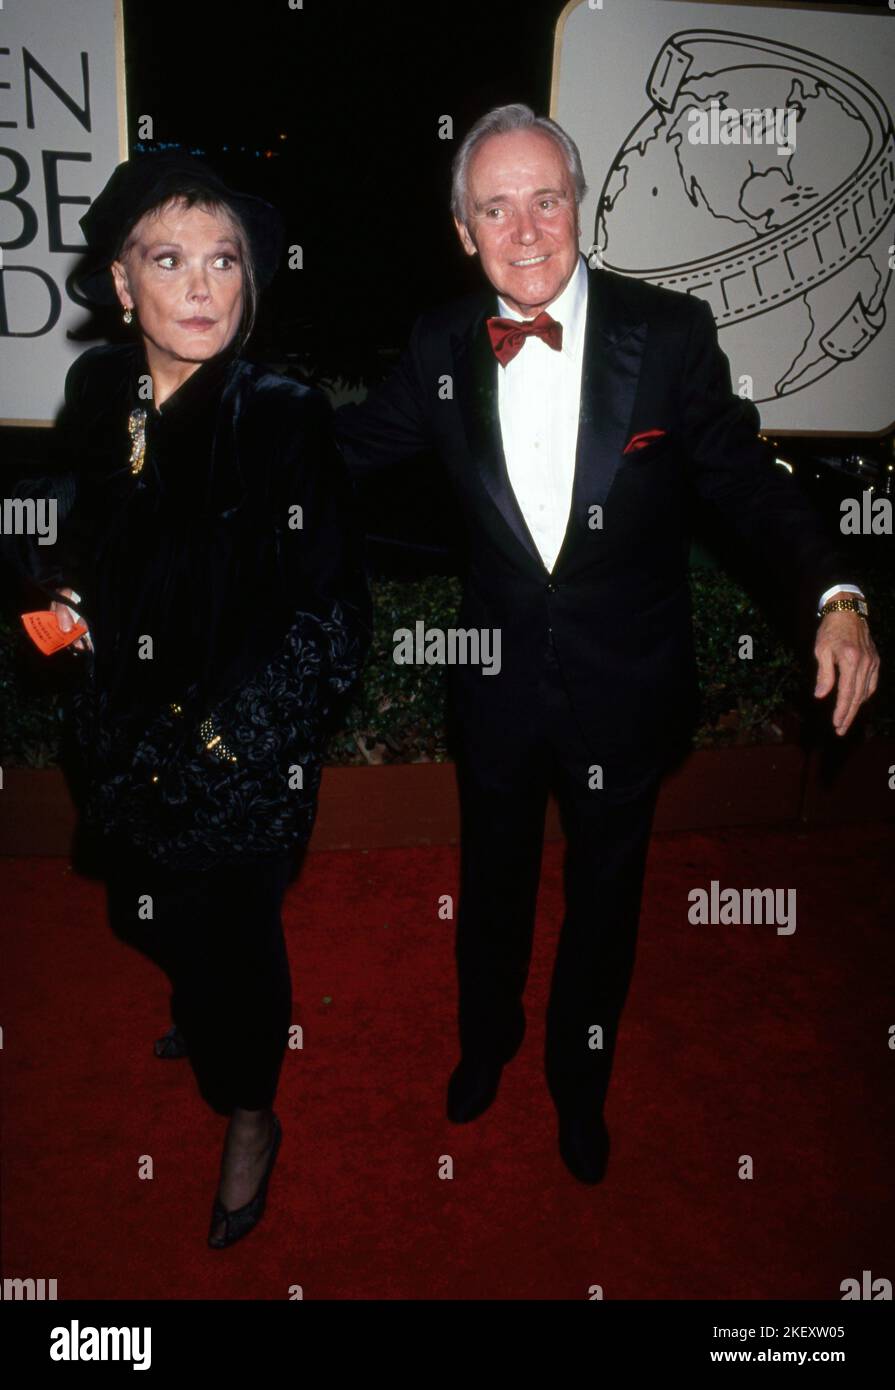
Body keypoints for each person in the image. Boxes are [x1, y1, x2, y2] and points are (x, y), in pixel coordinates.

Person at [335, 104, 880, 1184]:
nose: (525, 228)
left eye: (546, 198)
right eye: (495, 207)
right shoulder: (441, 344)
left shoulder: (667, 333)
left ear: (579, 204)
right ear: (461, 230)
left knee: (604, 900)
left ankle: (578, 1085)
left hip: (625, 690)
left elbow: (740, 479)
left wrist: (835, 589)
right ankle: (484, 1044)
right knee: (491, 883)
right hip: (494, 690)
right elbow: (335, 448)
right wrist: (207, 418)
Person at [5, 153, 370, 1246]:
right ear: (124, 285)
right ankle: (197, 1001)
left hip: (232, 757)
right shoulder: (94, 390)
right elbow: (80, 528)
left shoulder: (283, 417)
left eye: (224, 261)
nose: (203, 286)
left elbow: (331, 622)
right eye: (170, 260)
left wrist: (222, 743)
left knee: (238, 958)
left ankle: (251, 1114)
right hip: (116, 734)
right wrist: (62, 593)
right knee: (135, 909)